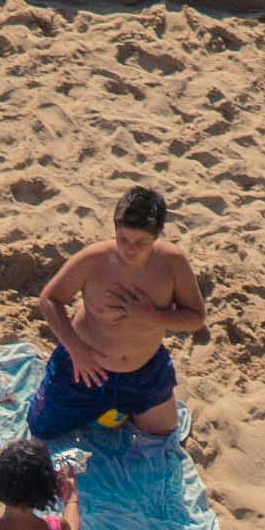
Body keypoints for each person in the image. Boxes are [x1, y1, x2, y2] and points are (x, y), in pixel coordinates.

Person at [31, 185, 206, 441]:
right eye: (122, 239)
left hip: (142, 371)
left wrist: (152, 316)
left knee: (164, 432)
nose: (129, 249)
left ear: (156, 237)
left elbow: (196, 317)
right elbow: (50, 299)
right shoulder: (94, 260)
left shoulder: (172, 264)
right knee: (42, 428)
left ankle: (122, 409)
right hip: (86, 368)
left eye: (140, 242)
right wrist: (76, 350)